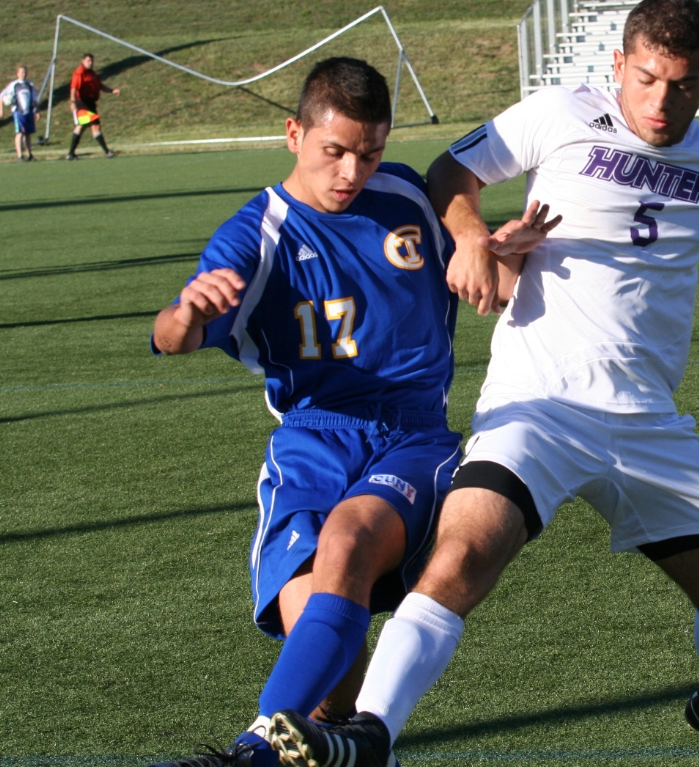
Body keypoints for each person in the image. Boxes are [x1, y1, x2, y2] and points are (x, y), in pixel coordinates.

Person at [267, 0, 699, 767]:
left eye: (679, 84)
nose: (658, 99)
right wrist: (472, 237)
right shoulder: (560, 114)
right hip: (536, 406)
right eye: (644, 77)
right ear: (618, 63)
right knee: (460, 559)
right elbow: (453, 169)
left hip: (646, 420)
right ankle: (369, 735)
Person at [146, 56, 556, 767]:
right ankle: (359, 751)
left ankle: (250, 751)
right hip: (309, 443)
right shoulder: (258, 234)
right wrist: (187, 313)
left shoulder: (405, 197)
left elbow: (484, 282)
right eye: (334, 151)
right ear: (293, 134)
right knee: (331, 680)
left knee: (346, 543)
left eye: (368, 153)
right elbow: (171, 336)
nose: (351, 172)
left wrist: (499, 256)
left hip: (412, 438)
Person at [67, 52, 120, 160]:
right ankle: (107, 151)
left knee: (82, 126)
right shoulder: (79, 72)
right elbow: (74, 87)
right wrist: (73, 102)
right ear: (83, 61)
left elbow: (99, 85)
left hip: (90, 103)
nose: (90, 63)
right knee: (95, 126)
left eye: (92, 61)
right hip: (82, 103)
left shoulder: (92, 73)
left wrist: (111, 90)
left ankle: (71, 154)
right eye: (88, 61)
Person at [1, 65, 40, 161]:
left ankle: (30, 155)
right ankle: (20, 156)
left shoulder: (30, 84)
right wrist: (1, 110)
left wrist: (37, 110)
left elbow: (34, 99)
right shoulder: (14, 85)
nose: (23, 74)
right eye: (21, 72)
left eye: (25, 72)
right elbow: (1, 95)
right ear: (17, 73)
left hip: (29, 112)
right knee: (19, 133)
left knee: (28, 133)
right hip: (18, 112)